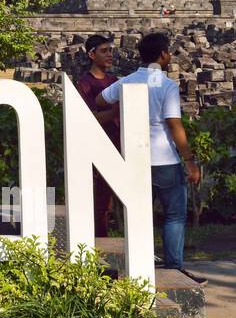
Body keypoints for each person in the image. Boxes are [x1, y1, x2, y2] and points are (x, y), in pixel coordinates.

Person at [96, 32, 207, 284]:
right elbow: (174, 124)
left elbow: (99, 99)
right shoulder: (166, 85)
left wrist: (119, 108)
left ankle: (138, 263)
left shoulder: (127, 81)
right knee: (174, 215)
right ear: (163, 55)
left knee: (138, 214)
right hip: (165, 159)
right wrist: (189, 160)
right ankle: (173, 268)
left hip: (134, 159)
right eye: (168, 52)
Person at [74, 34, 120, 238]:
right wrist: (118, 112)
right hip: (98, 146)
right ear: (91, 55)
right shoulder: (85, 84)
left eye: (110, 50)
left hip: (119, 142)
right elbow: (88, 118)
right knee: (100, 201)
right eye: (104, 51)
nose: (109, 55)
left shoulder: (115, 81)